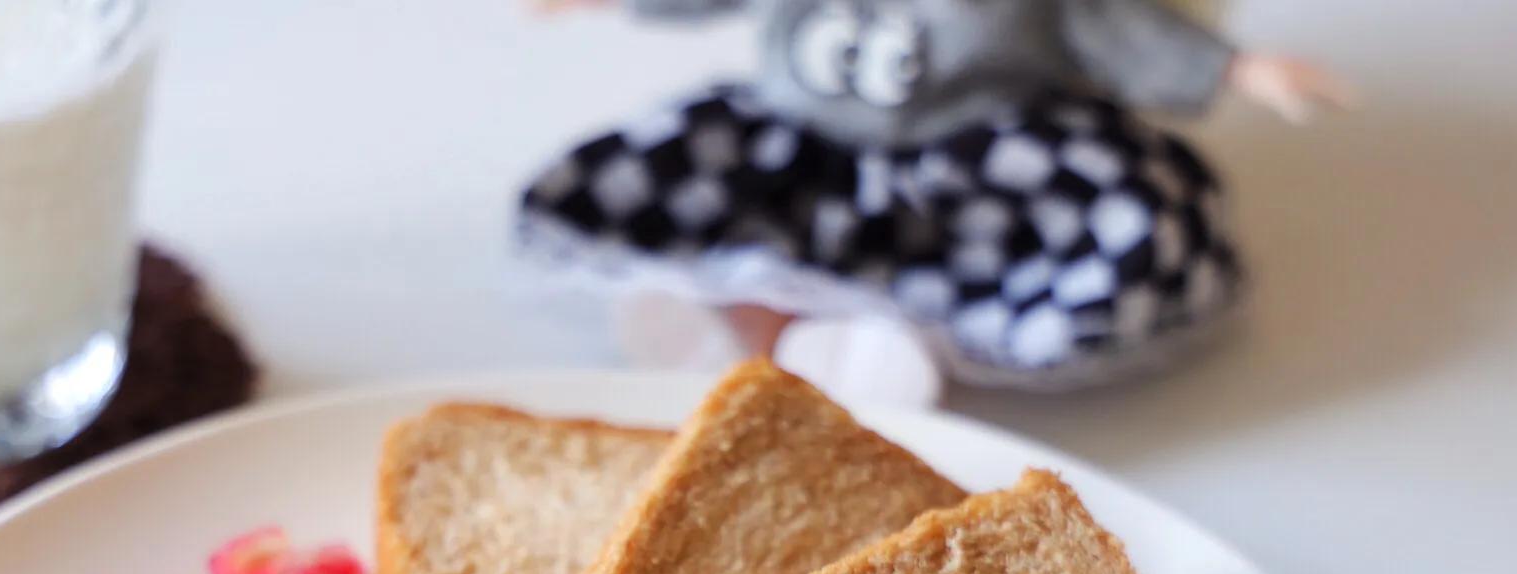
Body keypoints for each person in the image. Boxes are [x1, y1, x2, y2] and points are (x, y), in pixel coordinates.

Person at [520, 0, 1351, 402]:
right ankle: (741, 319)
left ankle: (893, 347)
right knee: (685, 180)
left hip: (969, 161)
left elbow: (1117, 27)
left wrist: (1237, 69)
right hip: (799, 143)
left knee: (1121, 219)